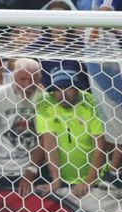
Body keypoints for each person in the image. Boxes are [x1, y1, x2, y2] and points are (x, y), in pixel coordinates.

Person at [0, 57, 42, 195]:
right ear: (13, 77)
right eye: (23, 79)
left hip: (28, 170)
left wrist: (31, 171)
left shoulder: (42, 97)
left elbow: (44, 139)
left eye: (32, 80)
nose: (28, 84)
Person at [35, 67, 107, 198]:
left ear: (77, 88)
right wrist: (56, 180)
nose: (62, 93)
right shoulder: (45, 103)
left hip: (96, 180)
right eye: (57, 89)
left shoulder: (90, 101)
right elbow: (49, 143)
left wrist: (88, 182)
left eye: (67, 87)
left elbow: (100, 147)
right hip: (62, 181)